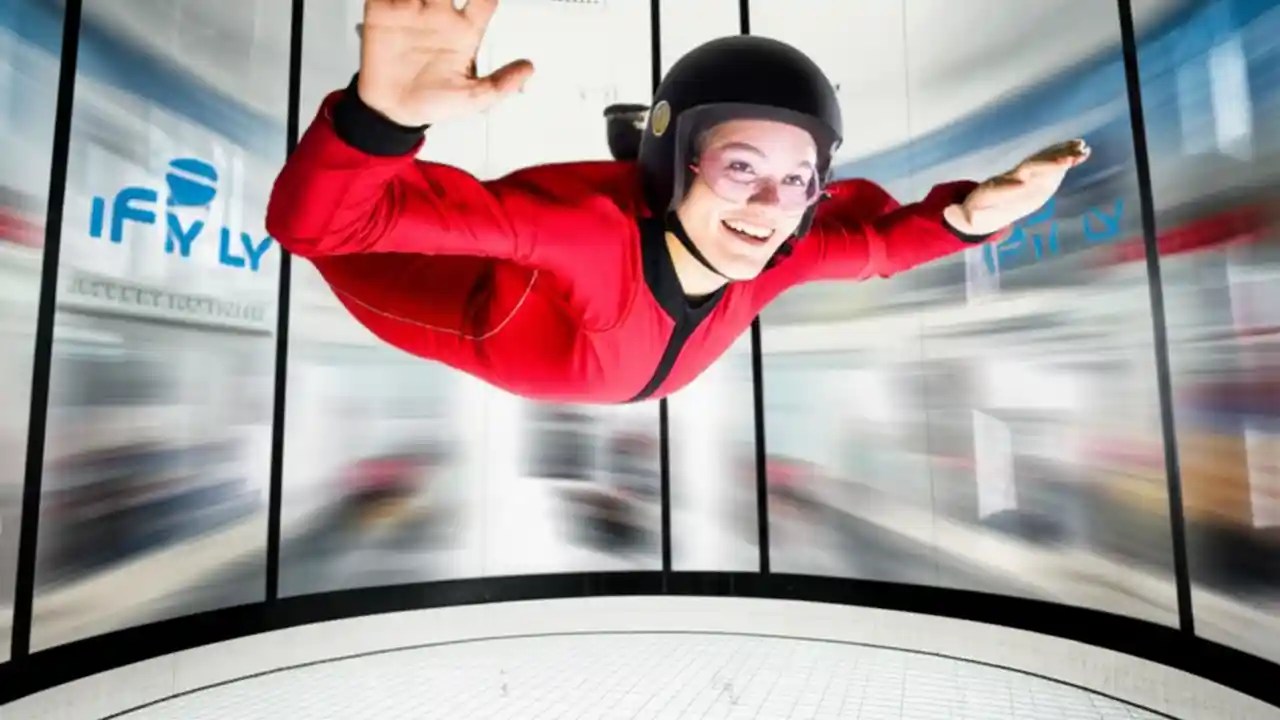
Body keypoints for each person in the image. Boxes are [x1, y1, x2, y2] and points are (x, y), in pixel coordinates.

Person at [266, 0, 1090, 404]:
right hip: (397, 272)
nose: (772, 206)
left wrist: (966, 218)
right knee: (362, 229)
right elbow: (316, 230)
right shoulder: (580, 237)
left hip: (603, 307)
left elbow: (874, 246)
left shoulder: (780, 245)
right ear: (675, 164)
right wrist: (380, 122)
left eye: (798, 180)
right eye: (741, 167)